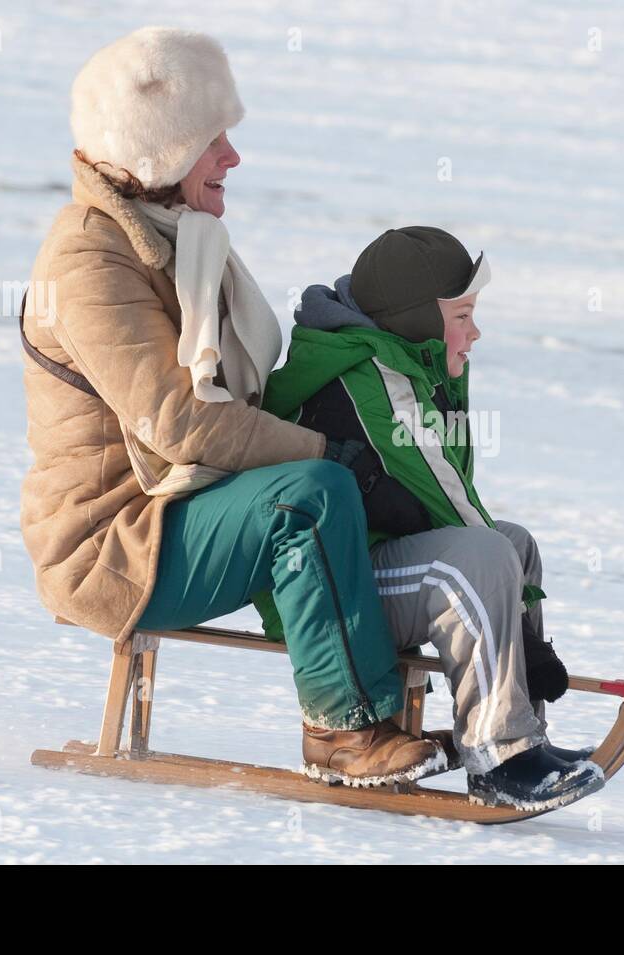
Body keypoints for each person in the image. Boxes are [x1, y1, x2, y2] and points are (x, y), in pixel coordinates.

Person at [19, 27, 443, 787]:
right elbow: (175, 420)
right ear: (159, 152)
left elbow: (239, 394)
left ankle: (443, 703)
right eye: (213, 139)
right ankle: (343, 731)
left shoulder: (174, 236)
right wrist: (321, 456)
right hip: (114, 541)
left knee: (340, 479)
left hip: (183, 506)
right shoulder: (88, 260)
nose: (232, 158)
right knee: (307, 499)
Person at [258, 227, 602, 809]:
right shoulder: (375, 381)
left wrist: (519, 615)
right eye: (463, 314)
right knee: (485, 556)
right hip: (327, 596)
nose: (475, 331)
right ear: (418, 318)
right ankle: (500, 755)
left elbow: (456, 494)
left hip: (372, 562)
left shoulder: (419, 367)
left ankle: (523, 737)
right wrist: (522, 629)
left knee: (515, 547)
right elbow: (454, 507)